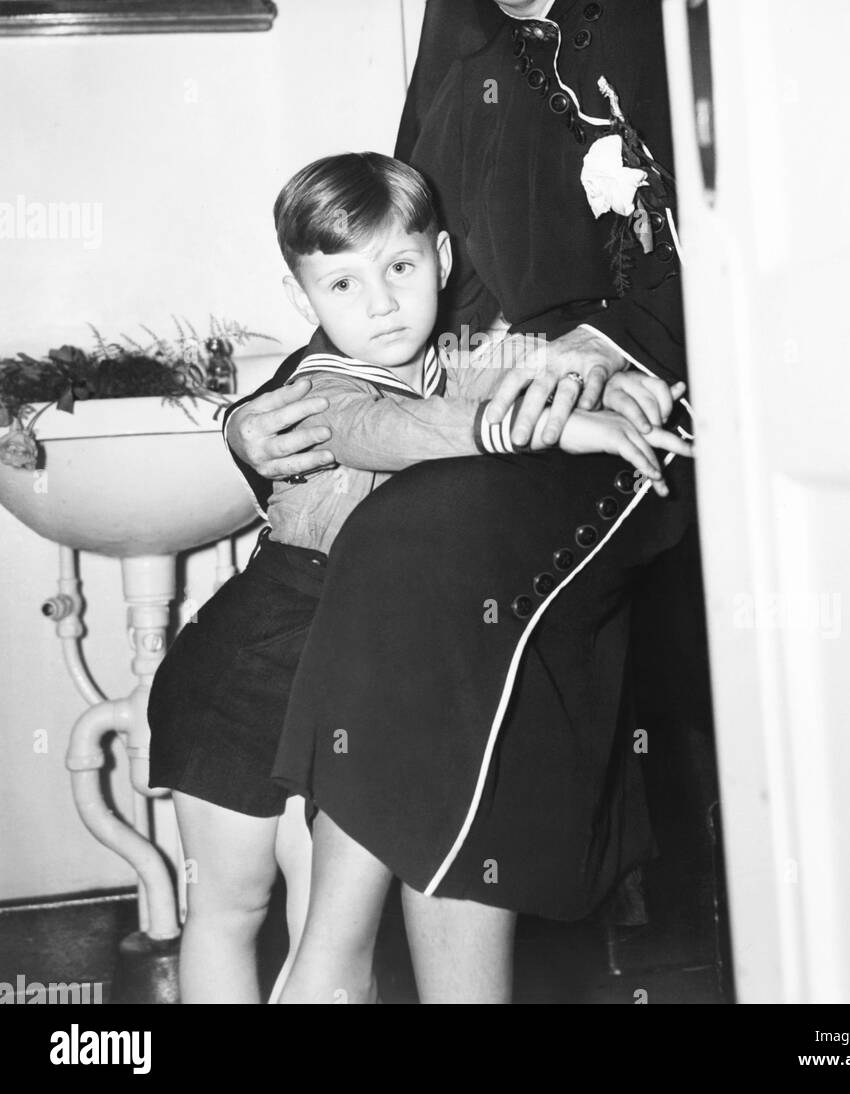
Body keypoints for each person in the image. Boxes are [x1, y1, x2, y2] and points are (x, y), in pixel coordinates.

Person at [230, 0, 697, 1004]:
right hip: (501, 410)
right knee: (416, 559)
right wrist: (265, 414)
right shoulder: (464, 69)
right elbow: (381, 267)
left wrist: (601, 354)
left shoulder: (672, 9)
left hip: (664, 416)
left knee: (422, 540)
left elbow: (737, 235)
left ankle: (326, 965)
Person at [148, 150, 688, 1004]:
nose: (382, 303)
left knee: (330, 936)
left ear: (439, 260)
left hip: (350, 681)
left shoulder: (453, 357)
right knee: (231, 905)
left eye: (400, 267)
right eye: (343, 285)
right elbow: (392, 431)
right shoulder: (322, 389)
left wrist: (609, 389)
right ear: (303, 300)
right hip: (248, 673)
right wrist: (547, 433)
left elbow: (535, 363)